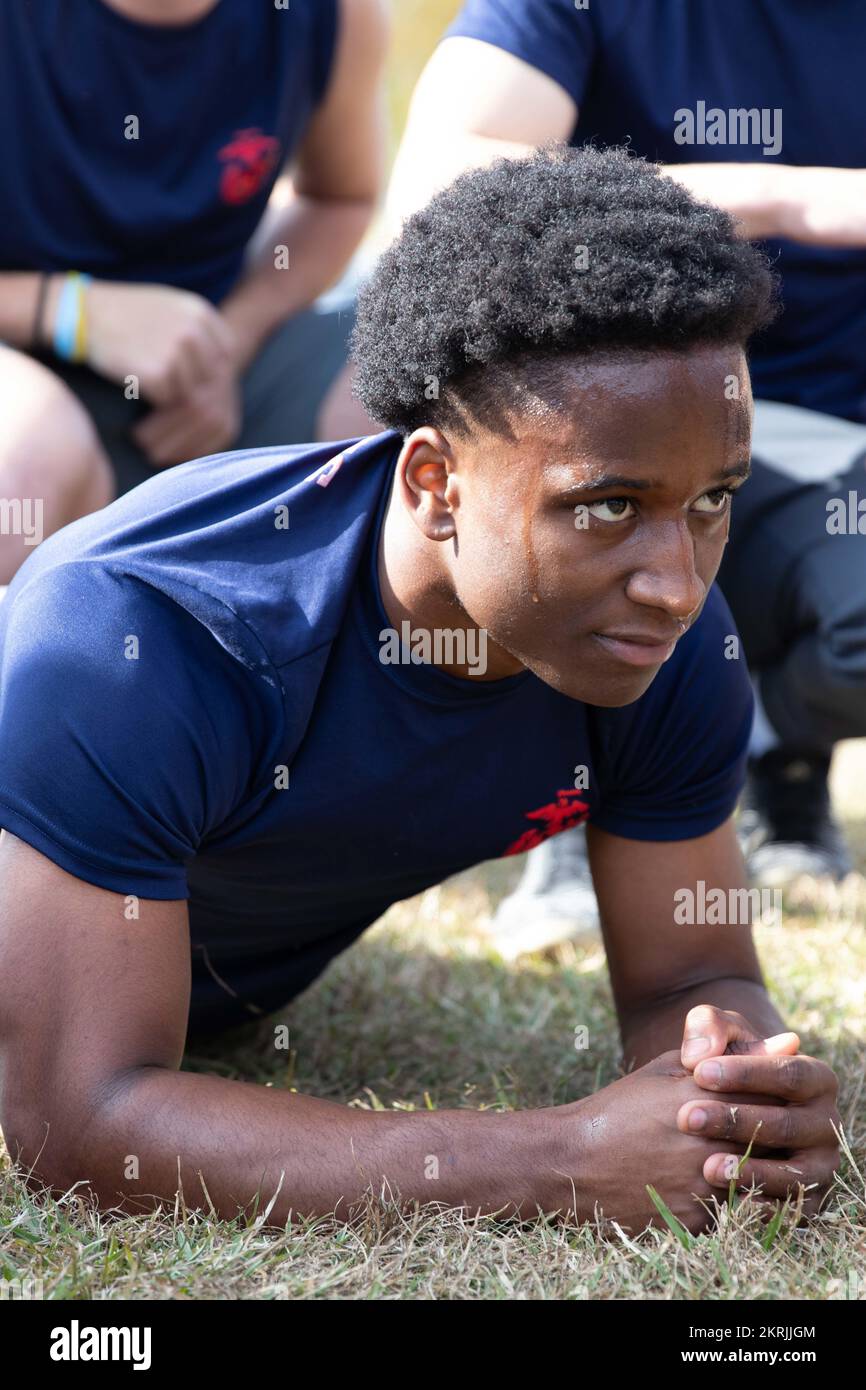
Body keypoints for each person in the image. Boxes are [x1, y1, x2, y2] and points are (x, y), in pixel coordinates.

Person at [0, 148, 840, 1234]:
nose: (675, 581)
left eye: (711, 497)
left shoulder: (660, 641)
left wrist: (735, 1090)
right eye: (606, 505)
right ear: (434, 483)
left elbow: (689, 976)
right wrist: (565, 1160)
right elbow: (72, 1124)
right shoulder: (135, 638)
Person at [387, 0, 866, 949]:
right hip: (608, 413)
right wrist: (787, 200)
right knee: (574, 533)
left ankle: (752, 754)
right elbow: (440, 183)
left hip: (833, 434)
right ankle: (568, 795)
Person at [0, 0, 388, 582]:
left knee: (406, 410)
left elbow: (338, 198)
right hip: (19, 356)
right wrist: (70, 311)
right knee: (28, 459)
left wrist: (230, 340)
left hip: (215, 371)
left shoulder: (339, 14)